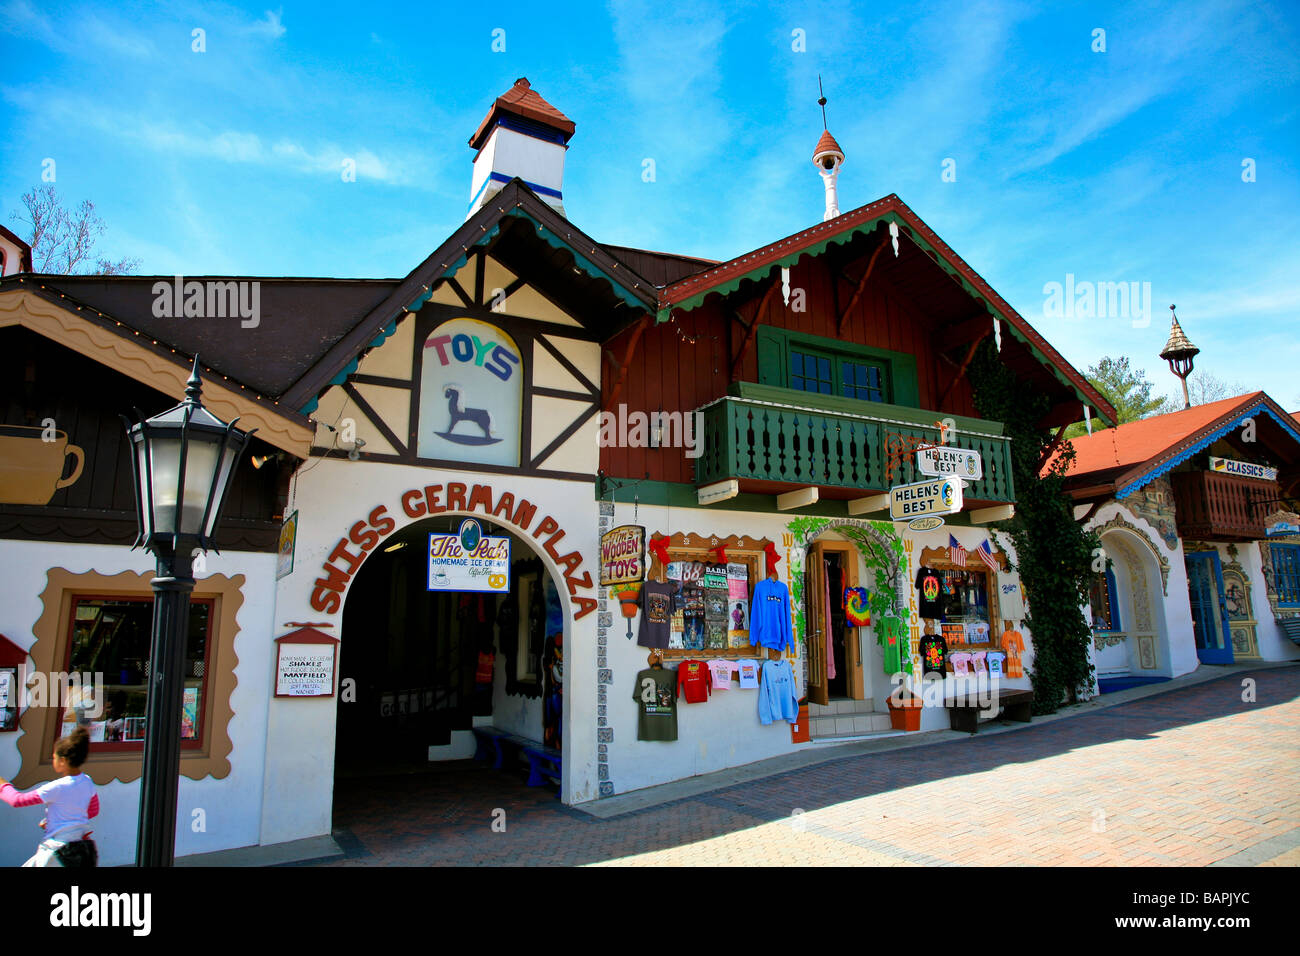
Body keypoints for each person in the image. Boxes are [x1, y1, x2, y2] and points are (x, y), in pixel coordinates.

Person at [0, 726, 100, 866]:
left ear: (63, 761)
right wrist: (59, 819)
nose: (53, 760)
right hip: (81, 849)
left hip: (59, 850)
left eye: (54, 757)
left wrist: (2, 785)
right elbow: (93, 810)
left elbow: (17, 800)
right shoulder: (87, 781)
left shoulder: (56, 787)